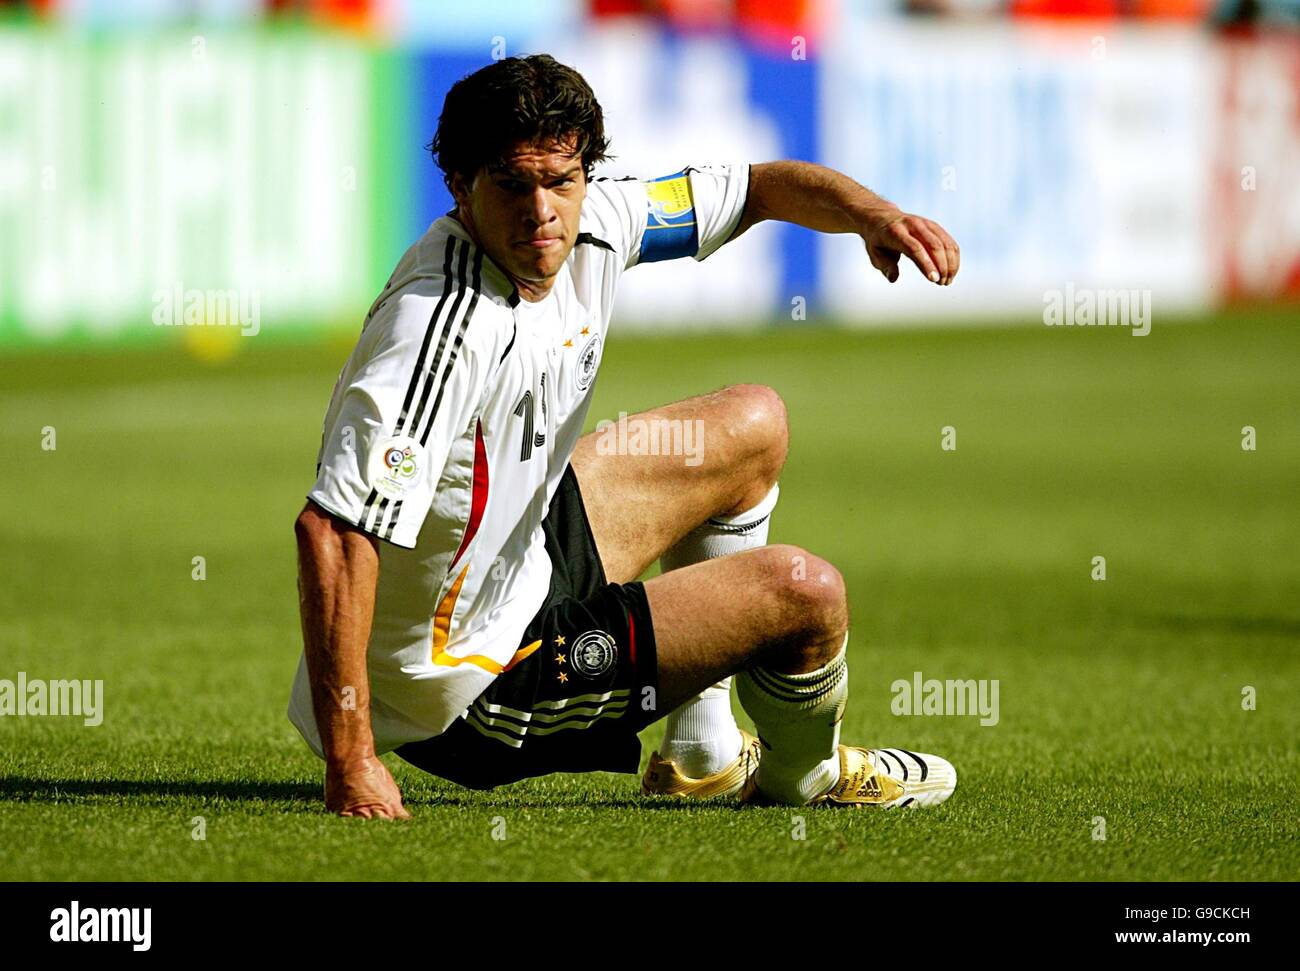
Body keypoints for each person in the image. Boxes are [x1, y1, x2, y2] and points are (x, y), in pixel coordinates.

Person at [288, 53, 961, 819]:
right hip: (467, 685)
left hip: (520, 562)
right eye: (513, 184)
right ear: (460, 187)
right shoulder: (437, 327)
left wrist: (873, 216)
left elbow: (758, 188)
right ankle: (803, 777)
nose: (541, 210)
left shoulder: (597, 222)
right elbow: (333, 531)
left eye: (561, 181)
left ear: (585, 174)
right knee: (806, 596)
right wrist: (352, 763)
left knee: (752, 420)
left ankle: (703, 753)